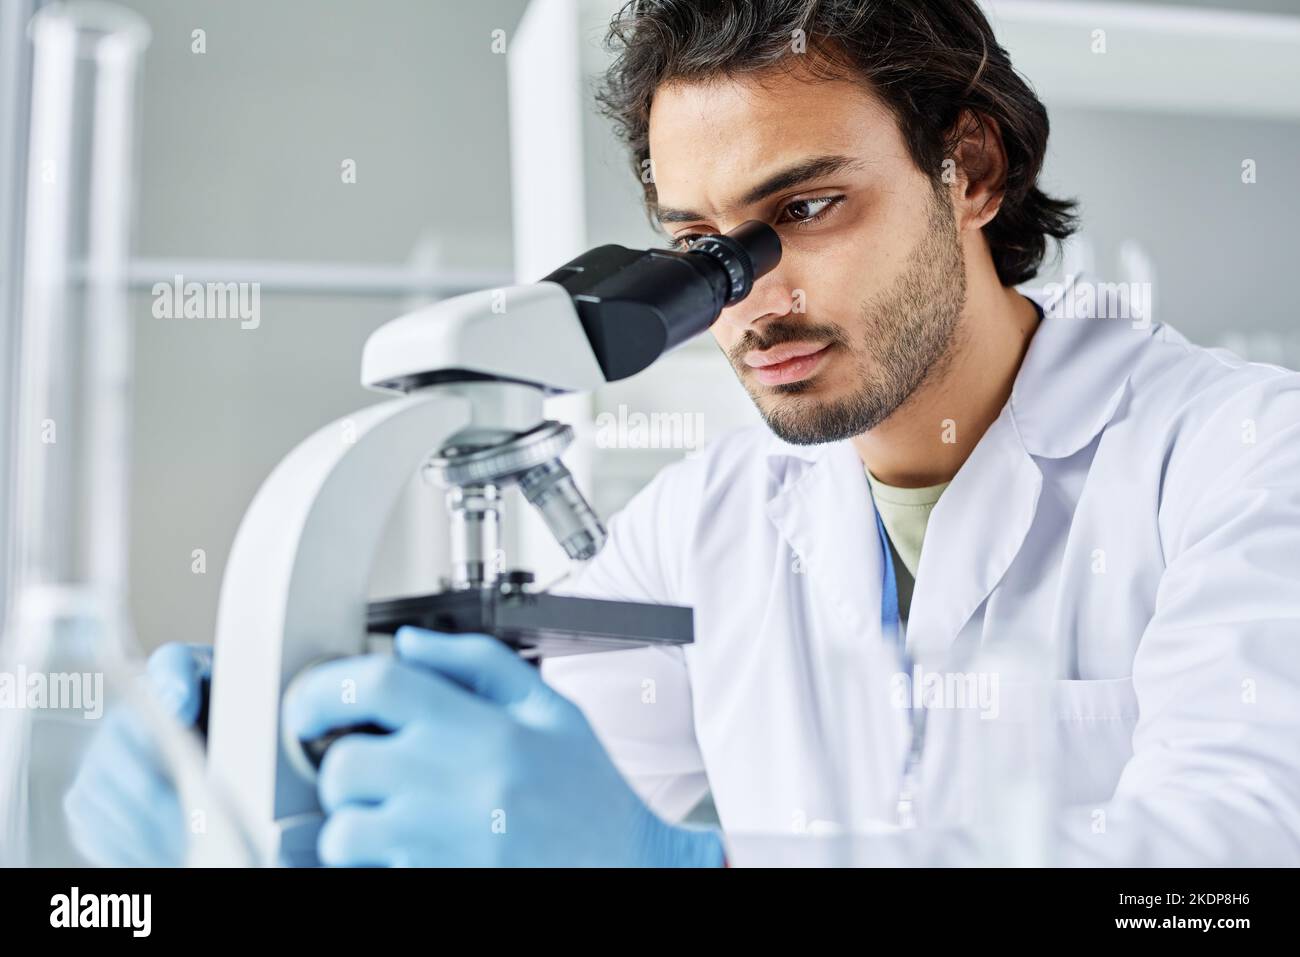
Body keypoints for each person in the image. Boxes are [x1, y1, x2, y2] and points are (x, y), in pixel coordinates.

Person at [67, 0, 1300, 866]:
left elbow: (1222, 869)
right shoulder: (708, 524)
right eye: (698, 244)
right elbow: (500, 808)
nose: (750, 297)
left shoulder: (1243, 458)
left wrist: (677, 870)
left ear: (968, 169)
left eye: (804, 207)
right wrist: (248, 782)